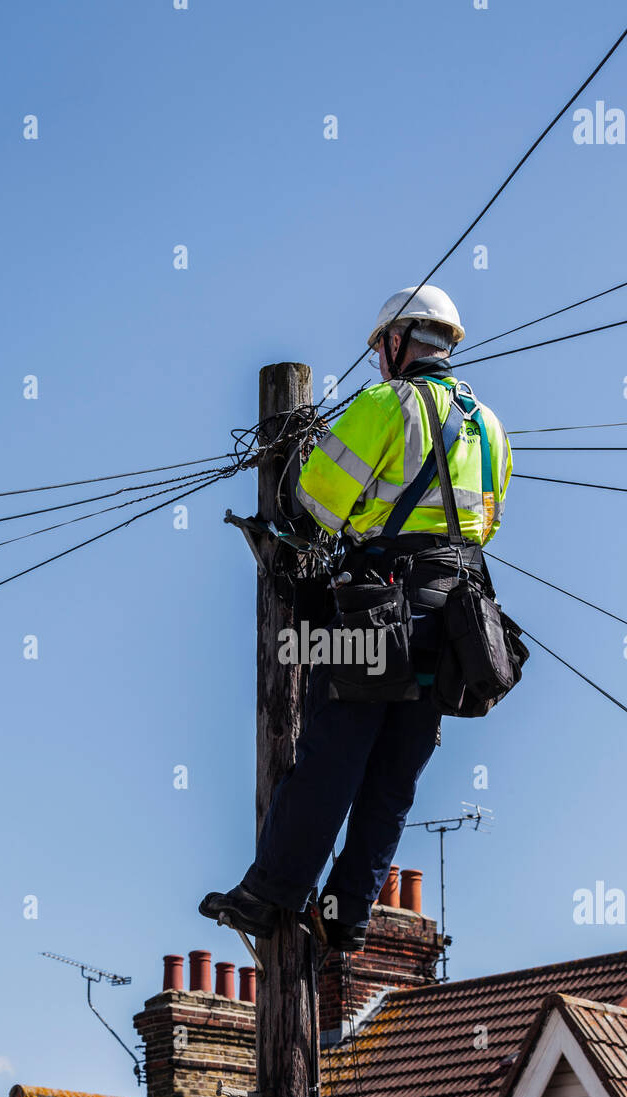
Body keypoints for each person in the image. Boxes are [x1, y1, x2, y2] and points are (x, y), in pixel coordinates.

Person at [200, 286, 512, 952]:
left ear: (397, 343)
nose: (378, 362)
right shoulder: (489, 426)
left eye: (381, 349)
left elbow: (312, 503)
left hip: (381, 607)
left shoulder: (385, 404)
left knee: (332, 757)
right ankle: (346, 915)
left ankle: (270, 894)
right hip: (457, 621)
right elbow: (487, 520)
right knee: (393, 776)